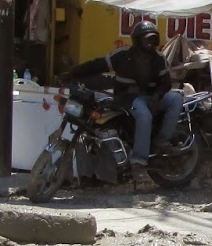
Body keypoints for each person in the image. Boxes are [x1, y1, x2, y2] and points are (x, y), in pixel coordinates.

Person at [69, 20, 180, 167]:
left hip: (151, 97)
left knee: (176, 99)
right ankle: (139, 159)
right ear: (136, 40)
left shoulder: (159, 59)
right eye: (146, 39)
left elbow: (166, 83)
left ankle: (162, 141)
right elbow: (97, 65)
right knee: (144, 115)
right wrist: (72, 73)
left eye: (153, 39)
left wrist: (157, 95)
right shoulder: (122, 55)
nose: (150, 43)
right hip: (129, 98)